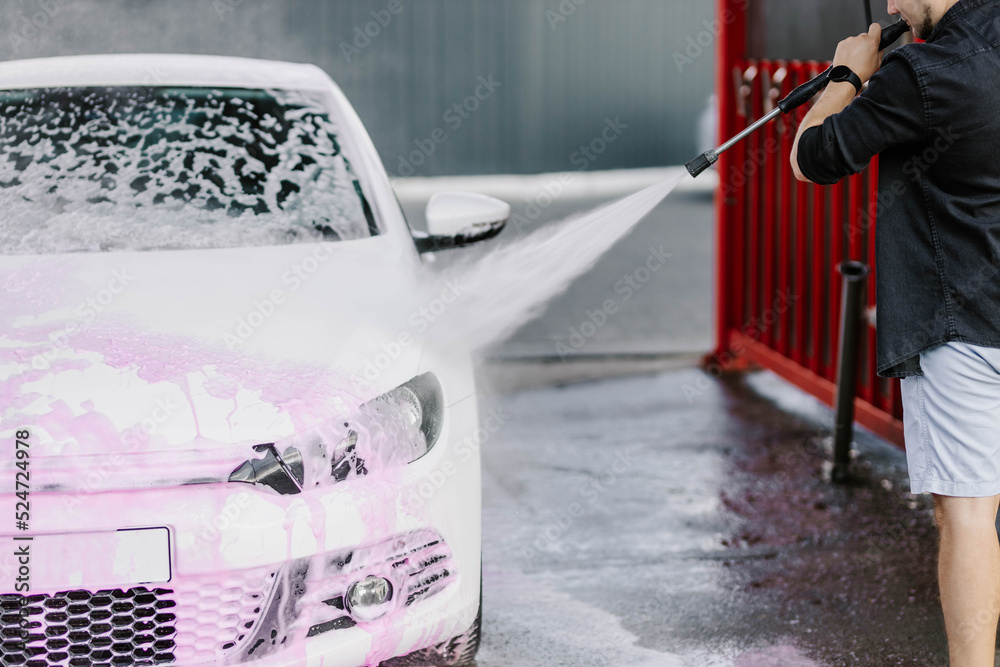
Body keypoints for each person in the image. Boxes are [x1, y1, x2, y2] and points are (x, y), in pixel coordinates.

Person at [790, 1, 1000, 664]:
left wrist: (846, 79)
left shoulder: (924, 73)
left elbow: (813, 157)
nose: (890, 9)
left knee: (966, 515)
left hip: (961, 324)